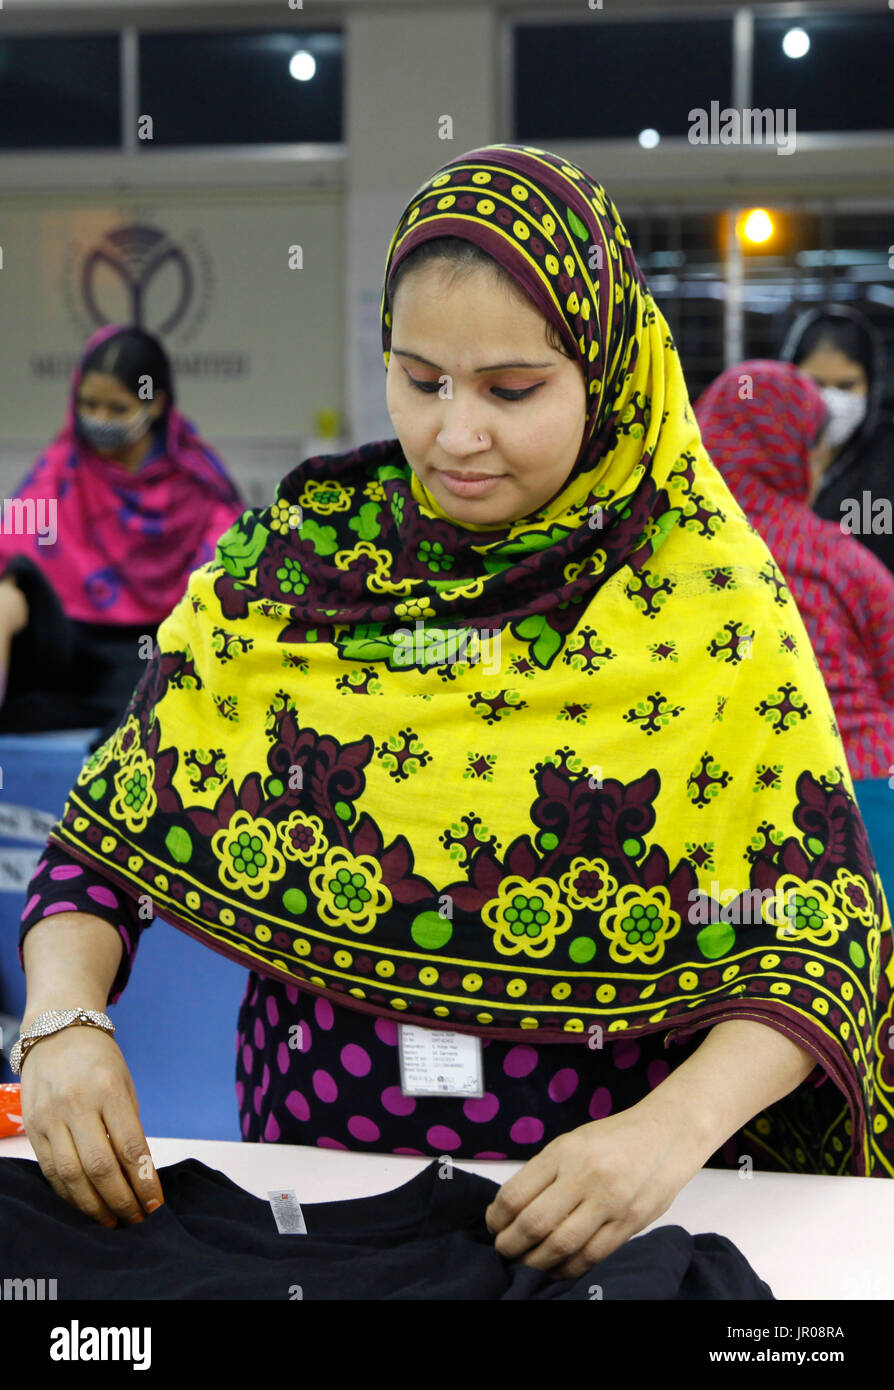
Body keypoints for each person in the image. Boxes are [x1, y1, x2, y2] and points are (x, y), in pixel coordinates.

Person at [13, 146, 894, 1283]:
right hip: (310, 1192)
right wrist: (62, 1018)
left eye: (511, 389)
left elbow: (817, 939)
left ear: (609, 375)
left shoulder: (708, 603)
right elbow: (102, 846)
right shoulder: (302, 563)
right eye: (418, 378)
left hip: (604, 1222)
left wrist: (666, 1135)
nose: (455, 434)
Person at [0, 324, 244, 742]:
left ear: (156, 403)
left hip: (153, 646)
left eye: (117, 408)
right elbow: (10, 545)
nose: (99, 419)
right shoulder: (60, 470)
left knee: (161, 705)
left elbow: (227, 573)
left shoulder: (197, 483)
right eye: (88, 404)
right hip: (67, 645)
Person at [694, 358, 894, 783]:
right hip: (863, 775)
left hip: (719, 785)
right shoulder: (834, 555)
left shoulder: (665, 549)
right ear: (794, 454)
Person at [780, 304, 894, 577]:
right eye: (816, 383)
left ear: (872, 384)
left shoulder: (888, 468)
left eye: (846, 385)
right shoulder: (769, 457)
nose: (829, 400)